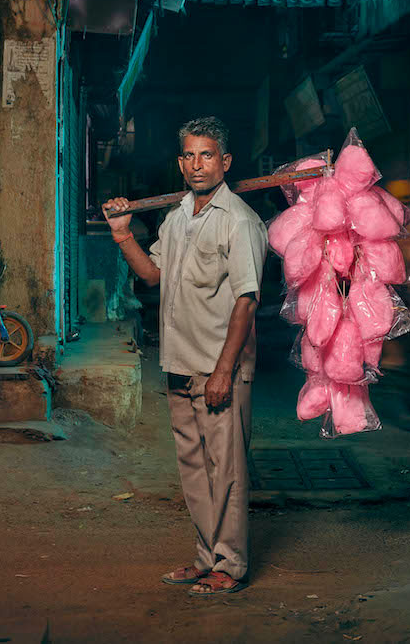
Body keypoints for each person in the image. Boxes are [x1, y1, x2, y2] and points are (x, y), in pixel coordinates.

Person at [102, 117, 267, 596]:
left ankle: (230, 565)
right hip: (178, 364)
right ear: (181, 163)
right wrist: (121, 234)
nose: (198, 164)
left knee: (227, 471)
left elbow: (247, 300)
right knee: (194, 469)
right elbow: (153, 276)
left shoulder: (238, 220)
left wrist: (223, 370)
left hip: (218, 369)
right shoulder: (178, 216)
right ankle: (205, 556)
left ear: (225, 161)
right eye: (190, 156)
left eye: (208, 154)